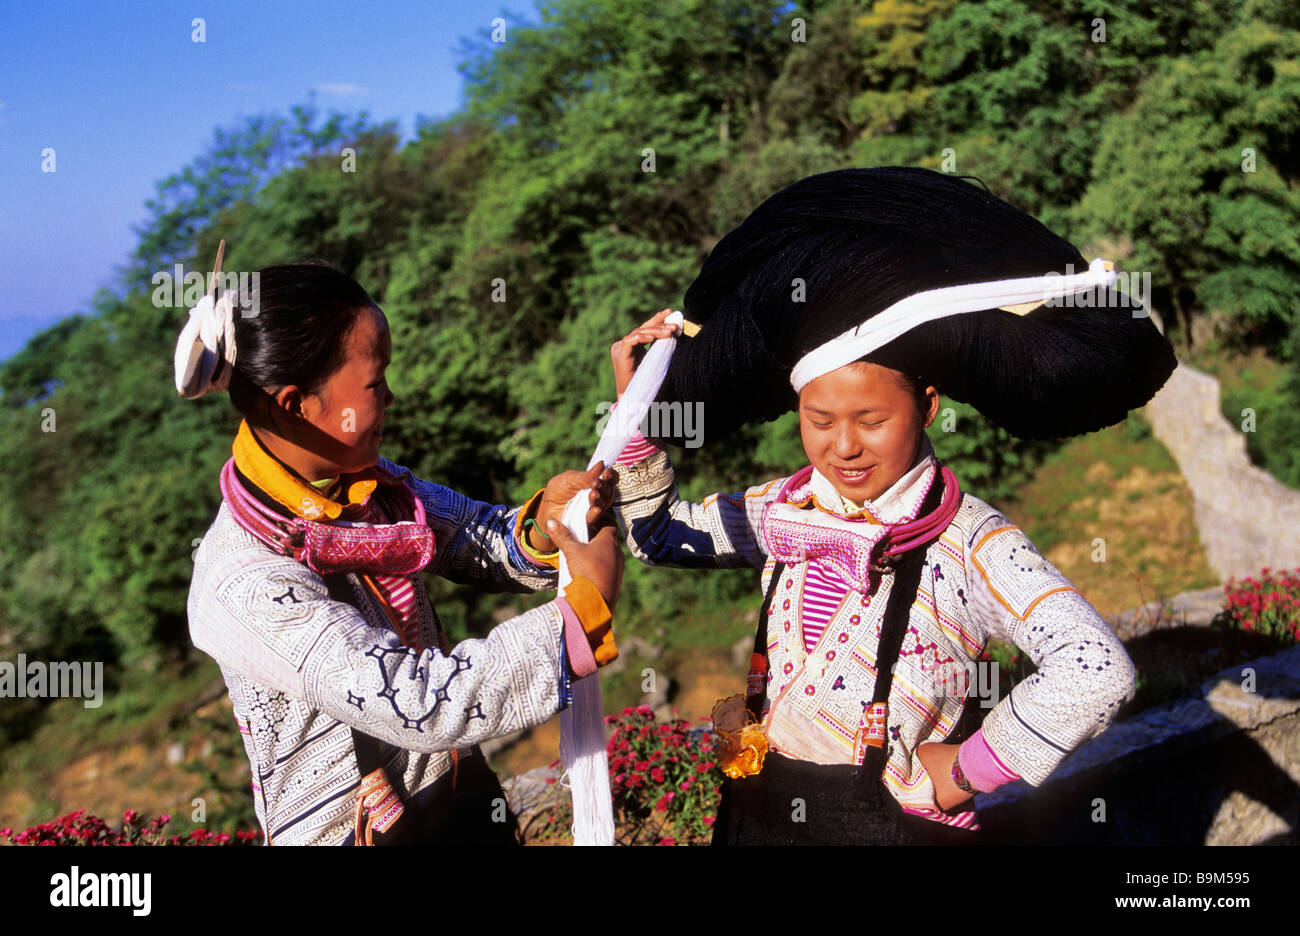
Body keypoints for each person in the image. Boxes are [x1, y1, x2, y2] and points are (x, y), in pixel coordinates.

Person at [606, 167, 1177, 845]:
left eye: (870, 420)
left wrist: (968, 768)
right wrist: (635, 417)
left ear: (928, 405)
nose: (843, 447)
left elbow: (1097, 669)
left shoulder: (969, 543)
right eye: (819, 420)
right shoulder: (782, 513)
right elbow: (661, 534)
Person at [176, 258, 623, 845]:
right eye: (373, 380)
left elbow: (471, 535)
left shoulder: (369, 488)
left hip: (455, 802)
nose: (391, 395)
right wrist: (584, 607)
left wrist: (545, 526)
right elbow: (416, 702)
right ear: (293, 406)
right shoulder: (244, 578)